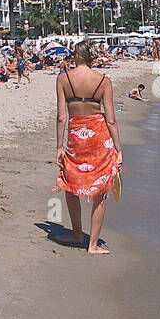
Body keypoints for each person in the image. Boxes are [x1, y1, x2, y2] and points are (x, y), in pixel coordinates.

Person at [52, 40, 122, 252]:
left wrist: (59, 146)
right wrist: (118, 149)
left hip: (76, 134)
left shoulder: (64, 78)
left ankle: (76, 233)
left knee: (70, 182)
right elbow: (110, 120)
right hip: (99, 136)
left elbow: (61, 117)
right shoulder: (103, 81)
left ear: (76, 56)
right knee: (100, 190)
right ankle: (92, 244)